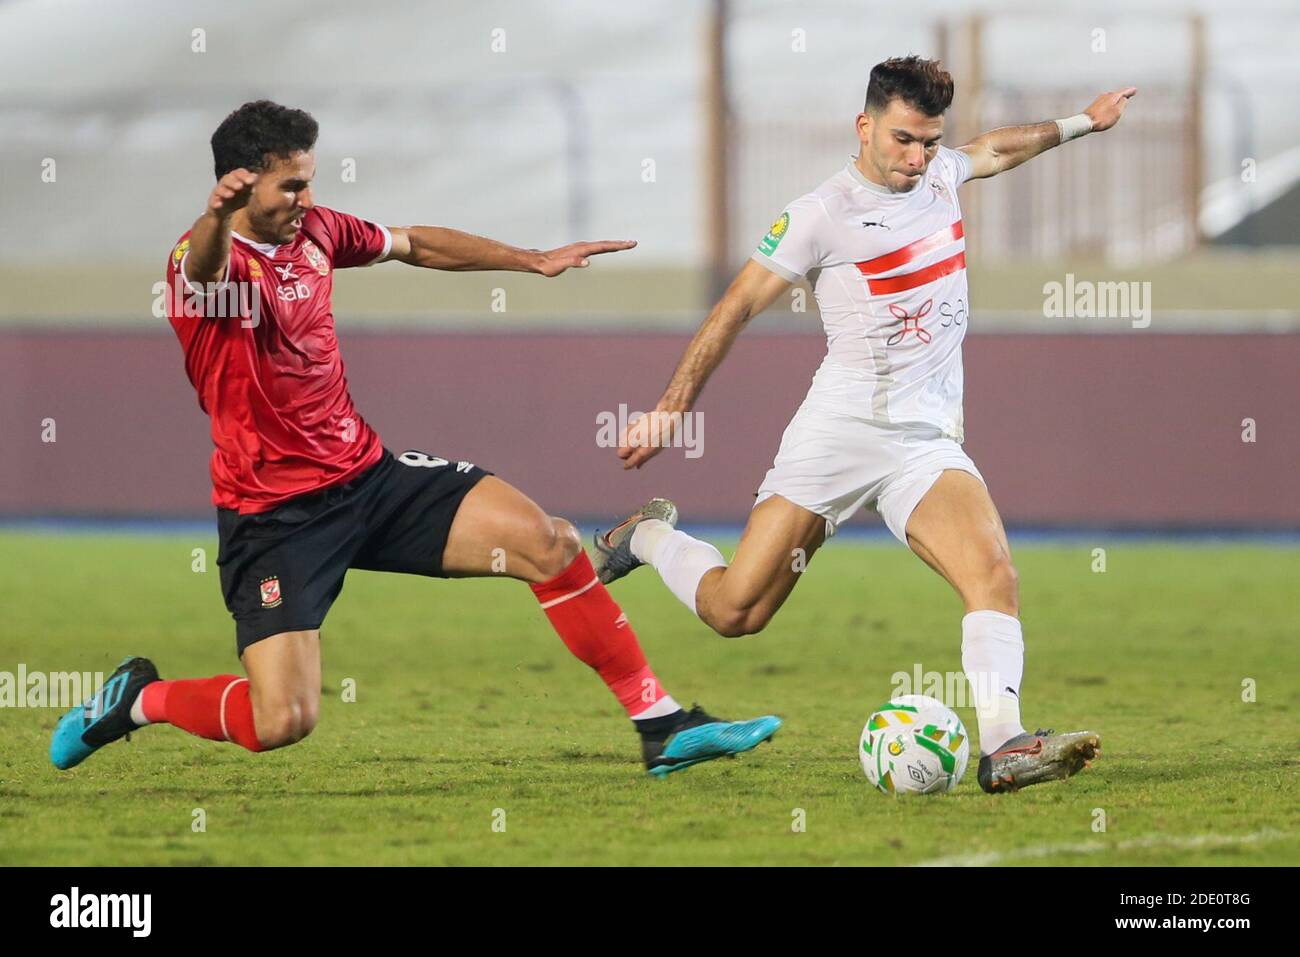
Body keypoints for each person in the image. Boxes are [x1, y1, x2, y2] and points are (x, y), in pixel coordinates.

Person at [51, 100, 779, 778]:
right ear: (237, 187)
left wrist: (531, 259)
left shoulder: (315, 231)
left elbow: (413, 244)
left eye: (308, 181)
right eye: (290, 185)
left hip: (370, 481)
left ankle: (661, 725)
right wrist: (212, 219)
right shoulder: (202, 265)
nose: (305, 198)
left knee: (548, 541)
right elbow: (205, 269)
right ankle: (137, 701)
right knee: (282, 718)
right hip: (276, 518)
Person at [596, 57, 1135, 792]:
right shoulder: (821, 214)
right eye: (904, 140)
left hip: (925, 444)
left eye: (929, 141)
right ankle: (646, 536)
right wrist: (670, 408)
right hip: (839, 435)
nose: (918, 158)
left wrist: (1083, 122)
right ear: (866, 125)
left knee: (995, 575)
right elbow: (735, 308)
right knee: (735, 612)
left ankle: (1005, 743)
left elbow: (1001, 148)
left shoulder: (942, 171)